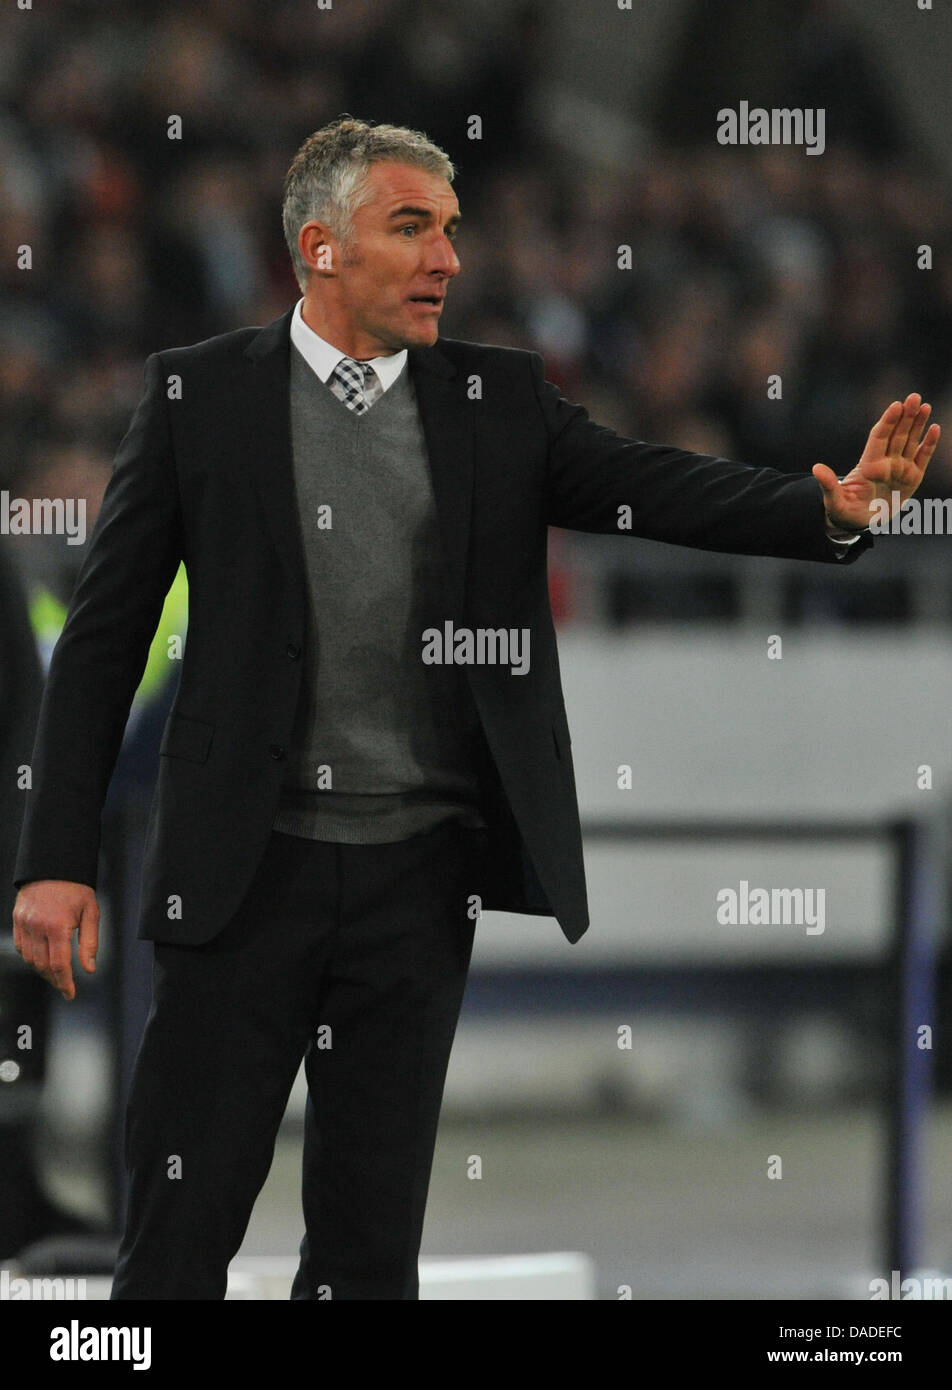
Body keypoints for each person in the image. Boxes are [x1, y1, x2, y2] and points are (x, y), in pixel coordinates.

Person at [10, 117, 940, 1300]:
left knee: (365, 1256)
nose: (448, 257)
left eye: (451, 228)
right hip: (239, 879)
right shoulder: (199, 396)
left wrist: (833, 513)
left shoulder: (498, 400)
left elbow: (649, 488)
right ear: (321, 246)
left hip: (414, 881)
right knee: (177, 1246)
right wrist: (53, 861)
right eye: (412, 228)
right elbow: (100, 642)